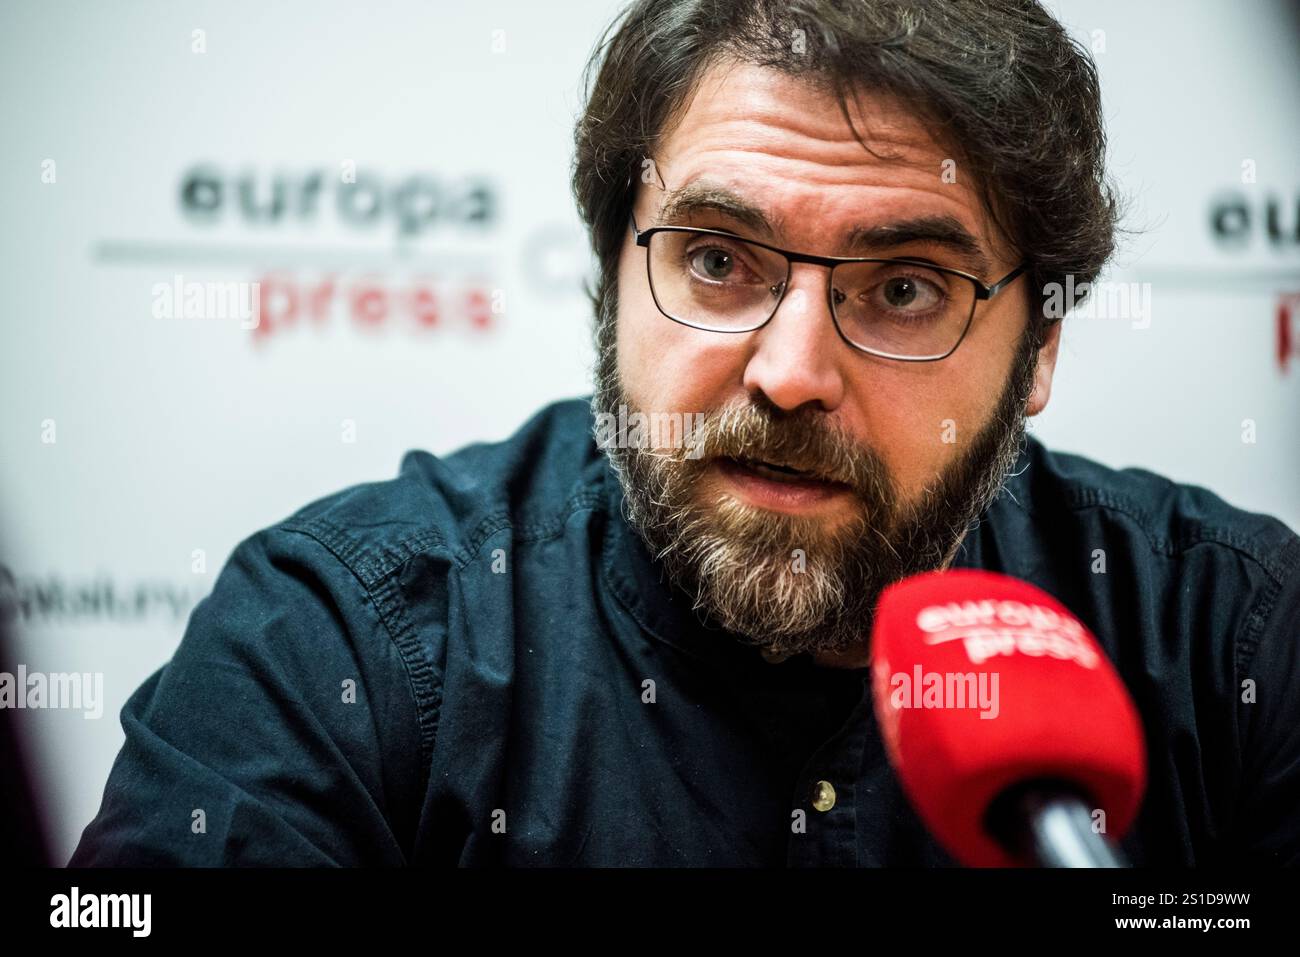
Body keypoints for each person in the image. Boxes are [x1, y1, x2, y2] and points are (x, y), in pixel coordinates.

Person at [71, 0, 1299, 867]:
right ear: (609, 283)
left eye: (906, 288)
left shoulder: (1235, 642)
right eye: (717, 262)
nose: (791, 374)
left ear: (1038, 347)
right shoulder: (340, 640)